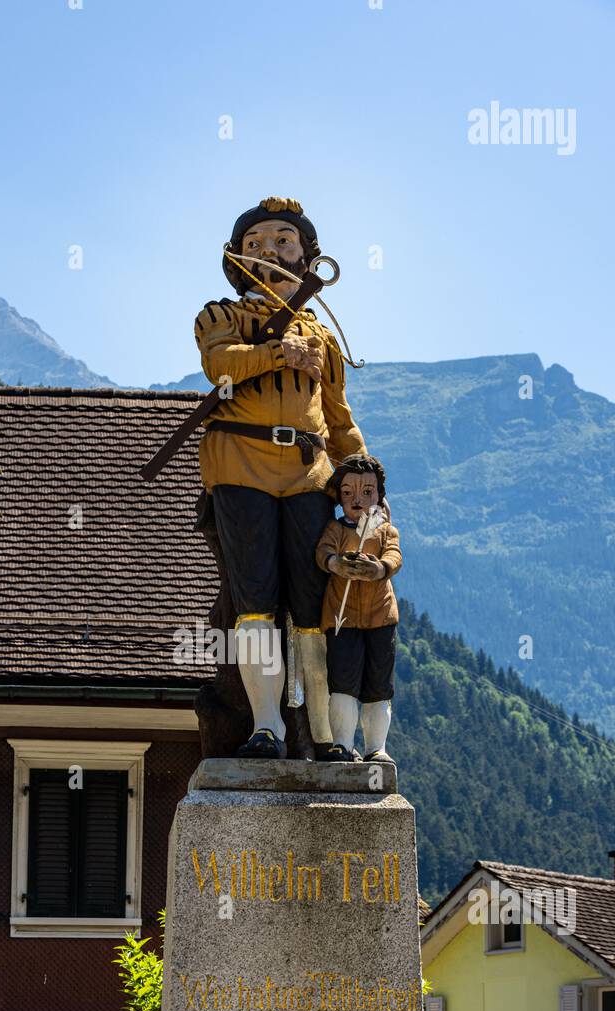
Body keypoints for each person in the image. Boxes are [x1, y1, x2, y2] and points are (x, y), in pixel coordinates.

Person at [194, 196, 366, 758]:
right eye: (255, 243)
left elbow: (338, 417)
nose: (268, 250)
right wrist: (276, 352)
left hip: (309, 472)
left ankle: (322, 734)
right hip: (238, 463)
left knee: (313, 601)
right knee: (255, 599)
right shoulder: (220, 316)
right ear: (235, 257)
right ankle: (265, 723)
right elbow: (221, 367)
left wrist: (363, 482)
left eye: (282, 240)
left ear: (307, 256)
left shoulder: (323, 337)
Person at [314, 454, 402, 762]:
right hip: (343, 617)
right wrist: (336, 563)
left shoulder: (386, 531)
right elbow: (322, 552)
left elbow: (394, 555)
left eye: (367, 492)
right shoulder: (336, 530)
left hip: (380, 616)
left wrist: (378, 569)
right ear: (339, 497)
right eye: (348, 493)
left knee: (378, 685)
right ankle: (341, 743)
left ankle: (376, 747)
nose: (358, 500)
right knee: (343, 682)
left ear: (379, 495)